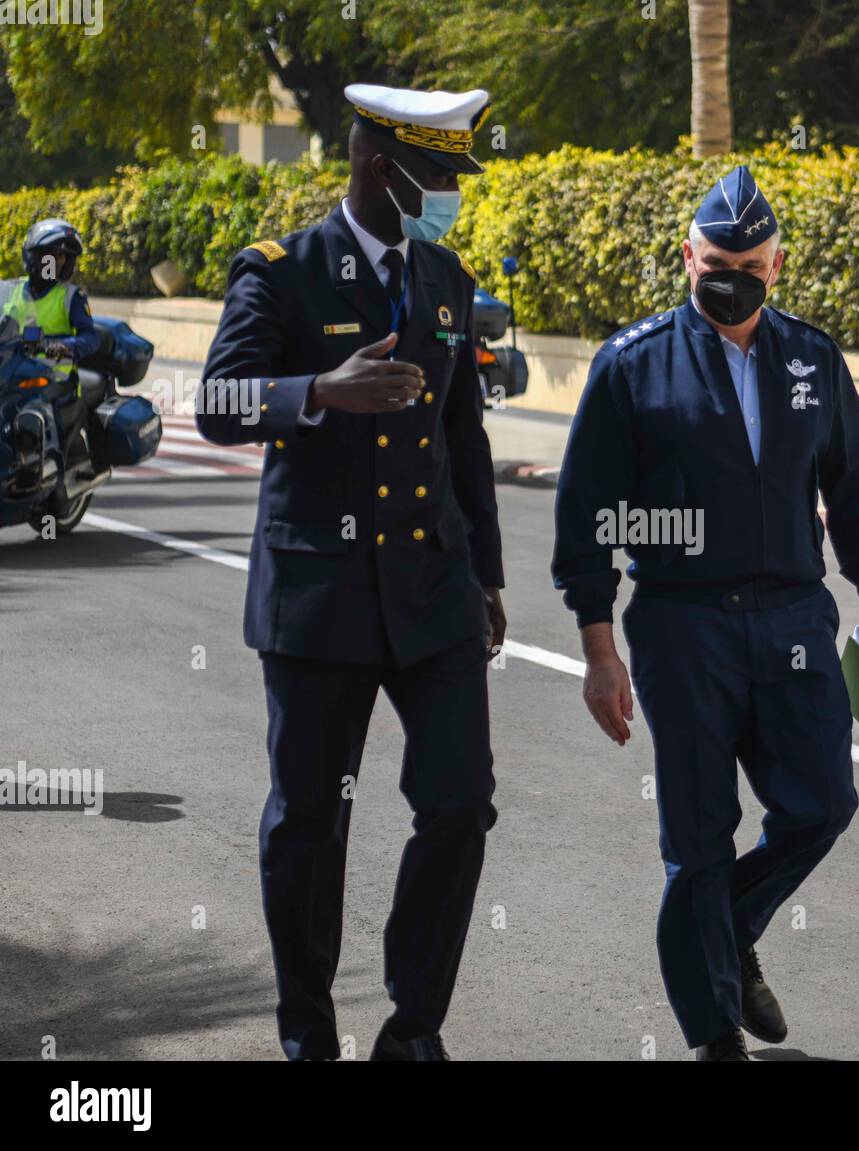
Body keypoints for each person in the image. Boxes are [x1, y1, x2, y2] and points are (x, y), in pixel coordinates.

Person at [551, 165, 859, 1060]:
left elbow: (856, 485)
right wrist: (599, 647)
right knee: (699, 834)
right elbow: (587, 515)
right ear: (687, 256)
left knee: (821, 805)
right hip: (683, 624)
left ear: (776, 266)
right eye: (716, 259)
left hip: (794, 617)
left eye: (749, 263)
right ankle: (714, 1033)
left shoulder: (813, 359)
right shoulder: (632, 364)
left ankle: (728, 930)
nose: (731, 276)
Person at [197, 83, 506, 1061]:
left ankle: (413, 1025)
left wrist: (488, 577)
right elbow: (214, 401)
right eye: (439, 174)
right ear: (383, 166)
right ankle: (309, 1035)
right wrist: (315, 391)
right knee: (310, 827)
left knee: (459, 801)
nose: (451, 191)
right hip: (319, 600)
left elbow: (465, 440)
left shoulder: (446, 279)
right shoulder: (281, 273)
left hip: (433, 596)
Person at [1, 219, 102, 462]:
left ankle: (55, 489)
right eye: (54, 255)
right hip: (14, 372)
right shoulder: (12, 290)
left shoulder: (70, 296)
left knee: (40, 433)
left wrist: (66, 346)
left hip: (56, 381)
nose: (60, 262)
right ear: (34, 256)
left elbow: (91, 337)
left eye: (64, 257)